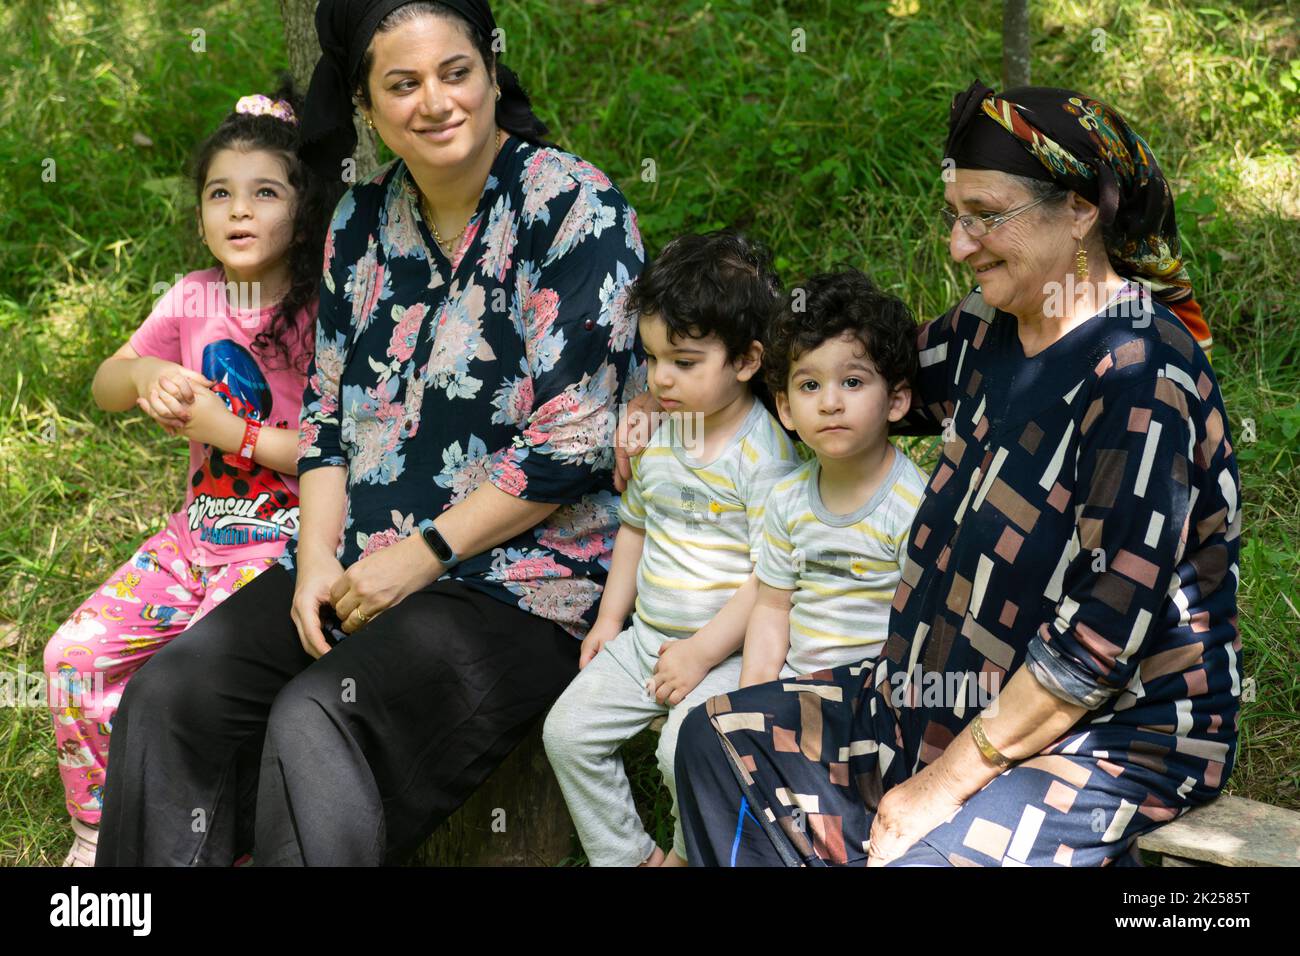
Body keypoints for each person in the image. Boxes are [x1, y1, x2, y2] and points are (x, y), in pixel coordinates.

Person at [94, 0, 645, 866]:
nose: (436, 102)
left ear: (491, 73)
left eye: (456, 73)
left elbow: (573, 438)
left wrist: (421, 554)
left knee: (315, 718)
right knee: (170, 695)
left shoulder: (572, 204)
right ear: (366, 104)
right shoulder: (357, 224)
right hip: (356, 557)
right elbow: (325, 419)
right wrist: (315, 559)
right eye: (403, 84)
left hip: (524, 580)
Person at [666, 80, 1238, 867]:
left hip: (1101, 736)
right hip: (932, 695)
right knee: (718, 742)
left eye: (986, 216)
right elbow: (856, 392)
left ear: (1078, 210)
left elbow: (1098, 645)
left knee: (920, 858)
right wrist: (693, 404)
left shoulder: (1143, 374)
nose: (959, 245)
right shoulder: (985, 328)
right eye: (954, 216)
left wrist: (940, 785)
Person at [44, 79, 336, 867]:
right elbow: (106, 384)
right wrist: (143, 378)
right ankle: (101, 830)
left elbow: (334, 452)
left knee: (197, 687)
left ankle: (221, 841)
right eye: (220, 193)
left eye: (264, 192)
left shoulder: (324, 310)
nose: (239, 211)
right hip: (195, 534)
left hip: (282, 547)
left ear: (303, 210)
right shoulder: (193, 297)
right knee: (72, 658)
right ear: (201, 212)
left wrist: (229, 431)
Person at [543, 231, 802, 867]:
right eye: (653, 357)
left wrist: (701, 654)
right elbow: (635, 527)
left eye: (684, 363)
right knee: (567, 732)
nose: (660, 377)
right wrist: (609, 620)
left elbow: (773, 578)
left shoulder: (762, 456)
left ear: (746, 362)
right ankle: (630, 856)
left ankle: (693, 854)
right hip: (646, 636)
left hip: (725, 651)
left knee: (683, 750)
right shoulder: (660, 431)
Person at [740, 270, 928, 687]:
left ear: (896, 400)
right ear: (785, 409)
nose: (830, 403)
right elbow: (772, 607)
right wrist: (752, 695)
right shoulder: (787, 498)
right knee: (696, 737)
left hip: (874, 696)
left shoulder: (913, 503)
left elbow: (922, 628)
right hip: (793, 684)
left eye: (852, 382)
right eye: (810, 385)